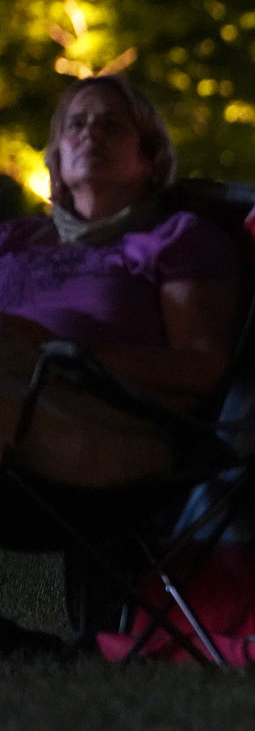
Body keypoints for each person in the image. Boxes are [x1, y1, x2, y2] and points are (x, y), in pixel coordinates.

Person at [0, 76, 239, 651]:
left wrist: (61, 357)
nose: (91, 135)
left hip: (115, 432)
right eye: (76, 124)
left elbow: (202, 369)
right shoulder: (14, 240)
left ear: (149, 155)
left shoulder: (175, 239)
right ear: (56, 153)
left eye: (112, 123)